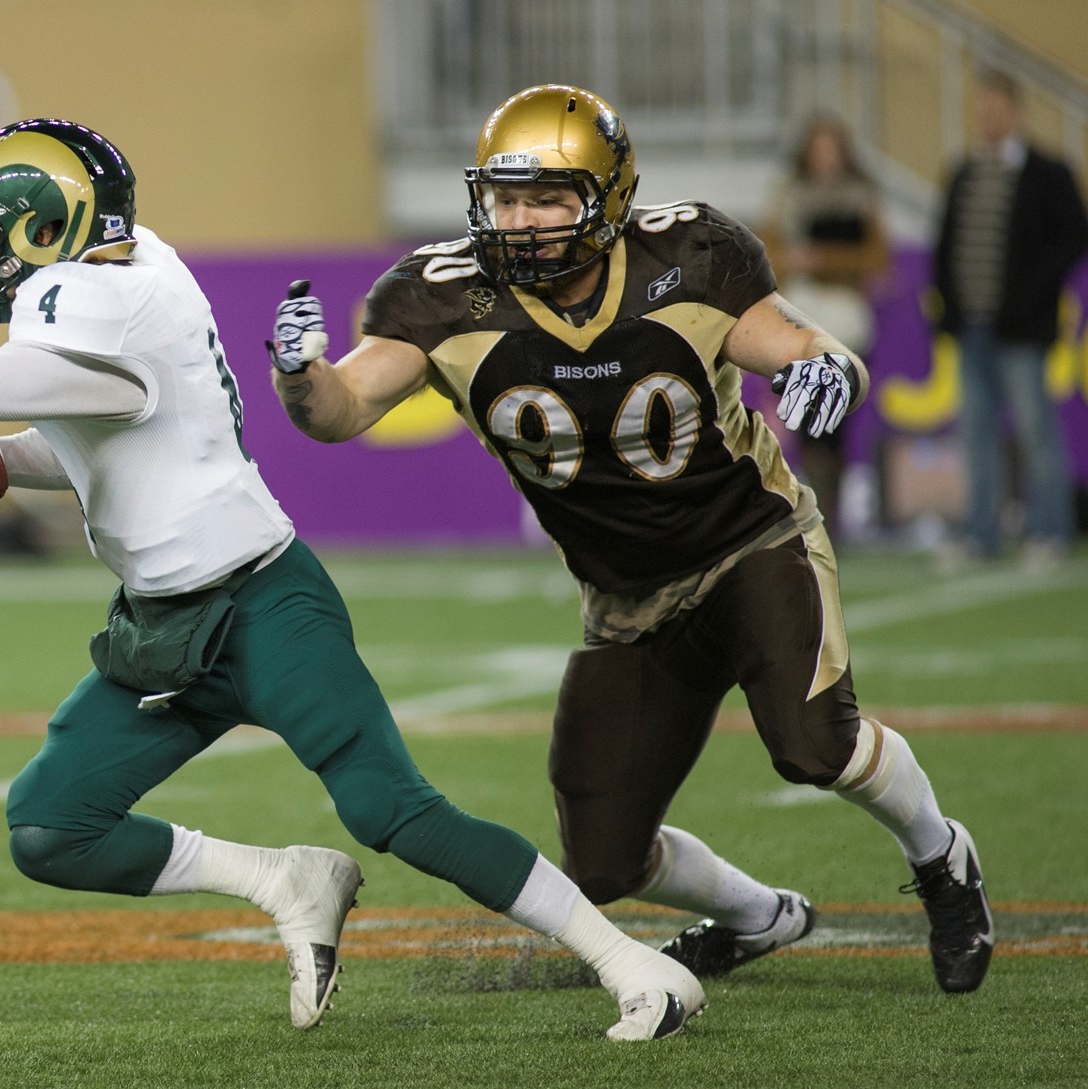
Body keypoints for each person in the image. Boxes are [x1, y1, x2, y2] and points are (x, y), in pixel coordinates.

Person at [0, 117, 707, 1041]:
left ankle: (631, 964)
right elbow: (92, 440)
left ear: (42, 224)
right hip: (163, 623)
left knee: (396, 811)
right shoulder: (126, 270)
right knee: (50, 826)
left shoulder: (96, 297)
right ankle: (282, 880)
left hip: (261, 604)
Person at [268, 84, 993, 994]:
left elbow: (797, 340)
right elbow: (342, 409)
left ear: (607, 199)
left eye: (547, 199)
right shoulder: (442, 296)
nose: (521, 222)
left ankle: (943, 857)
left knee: (816, 746)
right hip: (626, 597)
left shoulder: (688, 253)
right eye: (505, 198)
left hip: (748, 542)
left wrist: (827, 369)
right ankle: (757, 916)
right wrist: (301, 376)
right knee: (605, 861)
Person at [933, 68, 1088, 569]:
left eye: (997, 110)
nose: (988, 119)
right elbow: (946, 243)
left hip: (1021, 329)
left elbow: (1077, 236)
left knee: (1033, 429)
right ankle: (981, 536)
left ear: (1016, 113)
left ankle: (1048, 531)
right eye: (981, 111)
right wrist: (948, 306)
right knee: (976, 434)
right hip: (972, 325)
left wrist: (1033, 293)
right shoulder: (965, 171)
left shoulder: (1048, 173)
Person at [759, 114, 890, 538]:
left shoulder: (860, 198)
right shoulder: (789, 196)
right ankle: (813, 515)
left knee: (838, 418)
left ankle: (829, 515)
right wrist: (796, 261)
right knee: (808, 418)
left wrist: (823, 258)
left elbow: (876, 259)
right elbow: (766, 254)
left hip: (846, 317)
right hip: (802, 313)